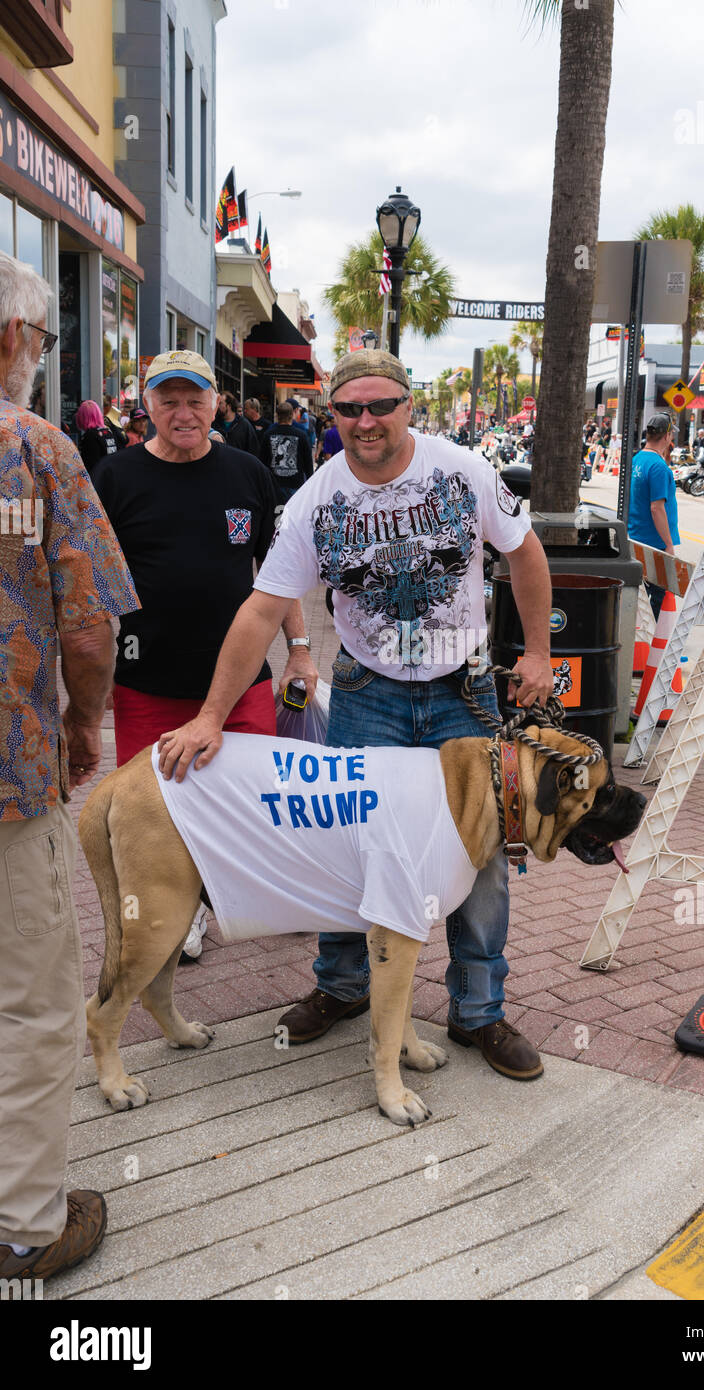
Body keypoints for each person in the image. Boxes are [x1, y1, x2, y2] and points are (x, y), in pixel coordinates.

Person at [156, 348, 556, 1081]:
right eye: (348, 409)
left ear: (409, 405)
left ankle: (478, 1010)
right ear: (330, 416)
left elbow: (523, 554)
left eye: (380, 406)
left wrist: (536, 653)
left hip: (461, 689)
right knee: (343, 837)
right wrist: (212, 714)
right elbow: (262, 609)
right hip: (366, 689)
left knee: (483, 852)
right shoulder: (314, 501)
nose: (365, 421)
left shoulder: (461, 470)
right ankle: (340, 986)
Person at [0, 250, 139, 1283]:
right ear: (14, 338)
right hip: (10, 778)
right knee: (32, 997)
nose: (41, 359)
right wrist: (84, 727)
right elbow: (88, 628)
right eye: (43, 342)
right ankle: (25, 1220)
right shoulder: (35, 450)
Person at [90, 349, 282, 959]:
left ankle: (241, 897)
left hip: (242, 680)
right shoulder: (116, 477)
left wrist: (301, 650)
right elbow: (92, 579)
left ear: (215, 403)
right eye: (167, 400)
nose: (183, 412)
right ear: (145, 407)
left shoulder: (248, 472)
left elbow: (277, 571)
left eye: (195, 398)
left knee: (255, 796)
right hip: (148, 681)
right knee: (160, 809)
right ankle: (183, 912)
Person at [627, 412, 679, 619]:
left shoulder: (637, 459)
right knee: (656, 598)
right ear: (666, 436)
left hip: (636, 537)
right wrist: (668, 544)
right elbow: (657, 508)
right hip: (653, 543)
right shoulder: (658, 467)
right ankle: (650, 645)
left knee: (640, 596)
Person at [259, 398, 314, 509]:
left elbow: (262, 461)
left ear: (277, 415)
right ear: (292, 415)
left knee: (274, 516)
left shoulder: (268, 434)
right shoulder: (301, 435)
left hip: (273, 484)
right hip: (295, 484)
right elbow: (308, 462)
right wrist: (310, 484)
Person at [75, 400, 119, 471]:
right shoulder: (108, 432)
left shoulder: (90, 435)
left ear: (82, 416)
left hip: (97, 478)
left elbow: (91, 463)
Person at [215, 390, 260, 457]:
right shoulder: (214, 423)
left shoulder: (244, 425)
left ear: (229, 406)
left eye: (220, 403)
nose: (217, 406)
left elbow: (253, 451)